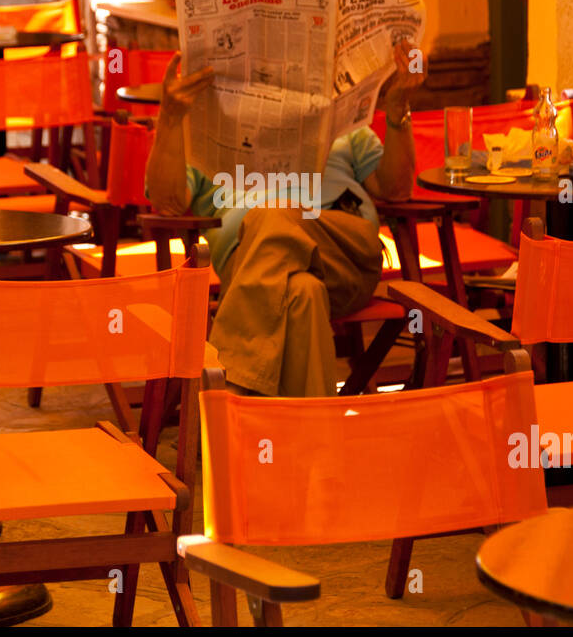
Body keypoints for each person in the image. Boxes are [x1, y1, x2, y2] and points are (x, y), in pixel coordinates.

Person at [145, 42, 424, 396]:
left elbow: (396, 190)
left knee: (274, 216)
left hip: (344, 254)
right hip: (258, 270)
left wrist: (398, 108)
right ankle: (313, 439)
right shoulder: (201, 129)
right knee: (302, 294)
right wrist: (170, 118)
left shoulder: (338, 119)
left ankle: (225, 391)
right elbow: (167, 204)